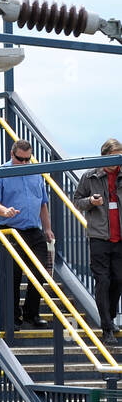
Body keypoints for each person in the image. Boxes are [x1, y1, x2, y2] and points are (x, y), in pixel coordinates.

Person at [0, 139, 52, 331]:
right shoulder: (1, 172)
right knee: (13, 275)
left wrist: (48, 229)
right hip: (10, 230)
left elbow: (43, 203)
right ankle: (12, 317)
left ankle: (31, 313)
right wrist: (5, 211)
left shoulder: (36, 173)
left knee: (40, 271)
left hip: (33, 230)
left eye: (28, 159)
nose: (25, 163)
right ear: (12, 155)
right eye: (21, 159)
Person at [73, 138, 122, 345]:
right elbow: (77, 201)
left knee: (118, 280)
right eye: (113, 156)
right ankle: (106, 327)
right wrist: (91, 202)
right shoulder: (89, 176)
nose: (117, 160)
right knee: (103, 281)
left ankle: (110, 317)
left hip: (119, 238)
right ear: (104, 157)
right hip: (98, 237)